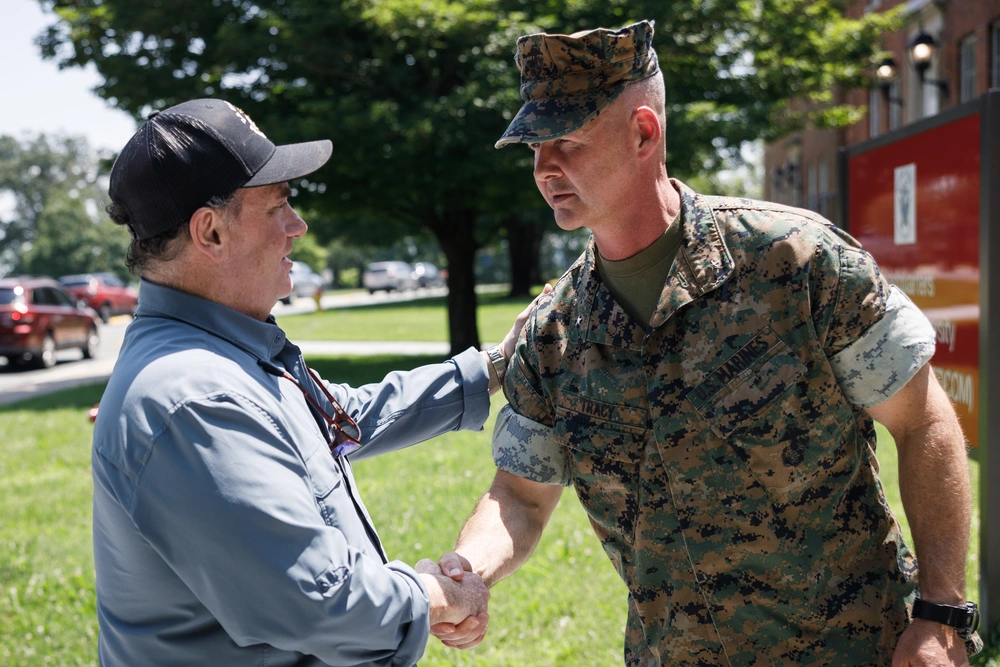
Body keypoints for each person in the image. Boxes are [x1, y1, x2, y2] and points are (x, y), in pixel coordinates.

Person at [431, 21, 982, 666]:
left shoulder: (794, 262)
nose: (544, 168)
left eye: (568, 142)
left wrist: (941, 613)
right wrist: (468, 571)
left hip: (853, 648)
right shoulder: (554, 332)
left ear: (644, 133)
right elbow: (520, 496)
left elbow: (923, 422)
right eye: (535, 148)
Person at [92, 98, 523, 665]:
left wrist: (496, 365)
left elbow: (344, 418)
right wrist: (435, 596)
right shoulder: (195, 398)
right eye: (278, 206)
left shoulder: (222, 355)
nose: (298, 226)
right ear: (211, 233)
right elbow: (321, 602)